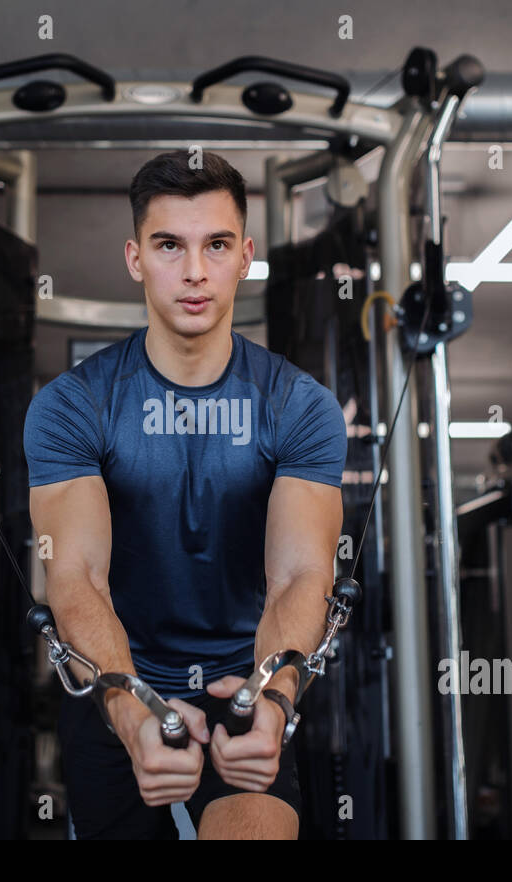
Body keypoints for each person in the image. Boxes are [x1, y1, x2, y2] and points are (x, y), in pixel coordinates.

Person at [23, 150, 347, 839]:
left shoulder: (300, 407)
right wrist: (132, 708)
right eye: (170, 245)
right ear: (136, 258)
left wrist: (276, 697)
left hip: (244, 687)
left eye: (217, 245)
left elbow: (299, 573)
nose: (195, 271)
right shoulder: (73, 406)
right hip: (119, 684)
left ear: (246, 256)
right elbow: (76, 575)